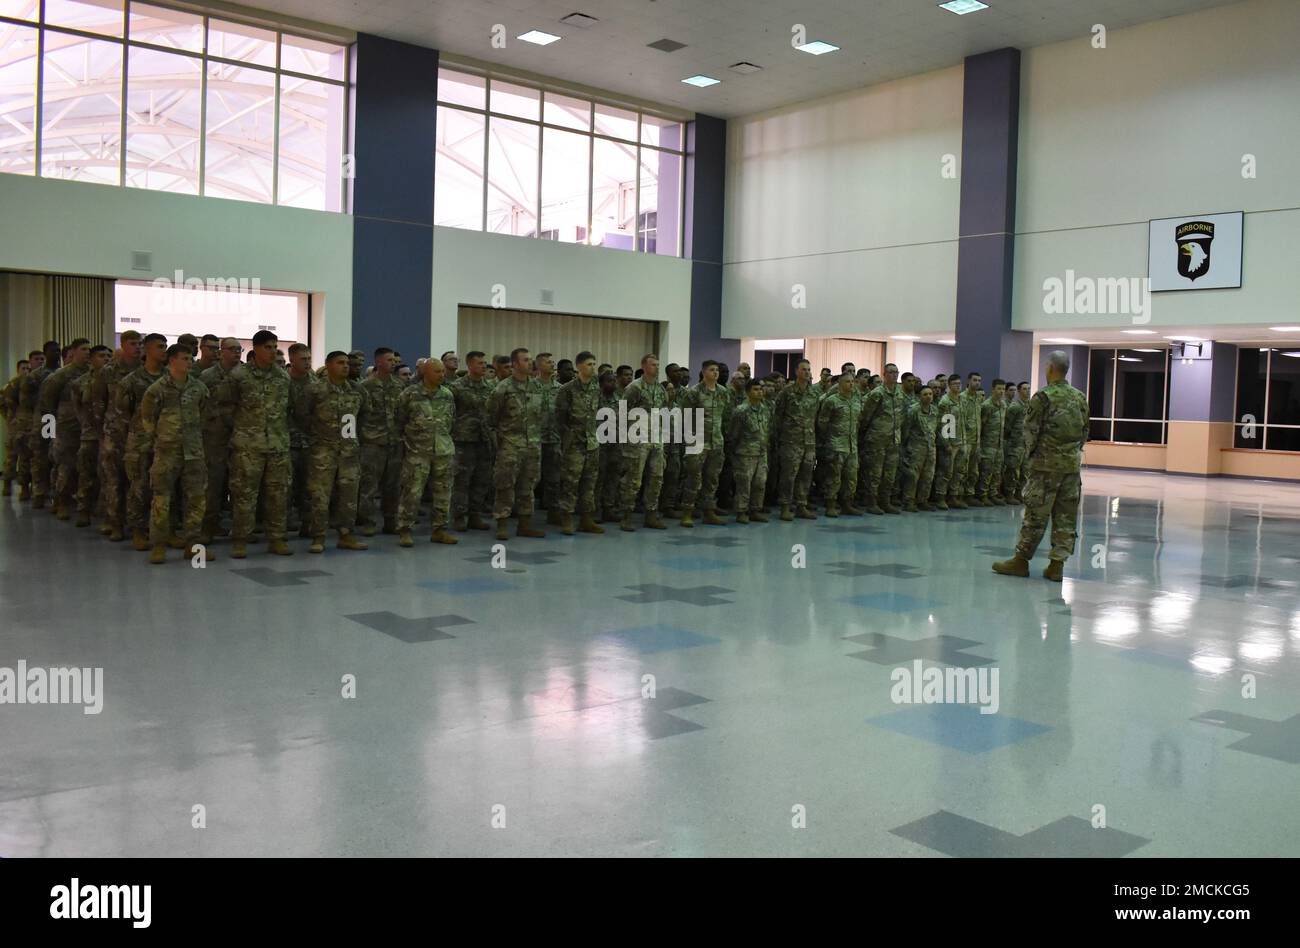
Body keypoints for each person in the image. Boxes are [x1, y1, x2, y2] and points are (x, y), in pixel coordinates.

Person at [994, 351, 1089, 582]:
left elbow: (1031, 432)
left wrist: (1032, 457)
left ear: (1050, 368)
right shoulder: (1079, 397)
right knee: (1065, 517)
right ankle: (1057, 565)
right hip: (1070, 468)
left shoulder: (1042, 397)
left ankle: (1021, 561)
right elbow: (1085, 431)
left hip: (1044, 468)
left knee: (1036, 514)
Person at [140, 344, 209, 564]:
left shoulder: (199, 388)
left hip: (194, 452)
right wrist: (160, 442)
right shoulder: (157, 389)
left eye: (190, 358)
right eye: (184, 358)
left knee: (196, 499)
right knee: (161, 499)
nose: (189, 362)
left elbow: (206, 415)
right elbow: (148, 420)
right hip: (167, 452)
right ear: (172, 361)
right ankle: (159, 545)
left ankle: (193, 546)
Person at [226, 330, 293, 559]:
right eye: (268, 347)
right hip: (248, 447)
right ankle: (240, 540)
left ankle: (276, 538)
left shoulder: (283, 377)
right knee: (244, 495)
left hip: (277, 446)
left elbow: (289, 410)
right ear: (255, 349)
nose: (273, 351)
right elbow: (226, 407)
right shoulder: (239, 376)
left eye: (275, 347)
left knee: (278, 495)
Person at [299, 351, 369, 554]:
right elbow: (302, 415)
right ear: (328, 365)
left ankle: (346, 535)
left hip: (349, 452)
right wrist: (317, 435)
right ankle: (318, 536)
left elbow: (363, 416)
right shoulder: (315, 390)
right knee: (320, 495)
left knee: (349, 495)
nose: (346, 366)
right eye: (340, 363)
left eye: (347, 363)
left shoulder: (357, 390)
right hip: (322, 450)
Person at [485, 347, 545, 540]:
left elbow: (542, 416)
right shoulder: (503, 388)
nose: (530, 363)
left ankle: (524, 524)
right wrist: (502, 441)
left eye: (531, 359)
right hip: (510, 445)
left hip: (533, 445)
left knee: (528, 486)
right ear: (515, 364)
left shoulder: (537, 388)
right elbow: (491, 418)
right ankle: (502, 524)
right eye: (526, 360)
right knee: (505, 485)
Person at [119, 334, 168, 550]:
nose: (164, 350)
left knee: (165, 488)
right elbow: (122, 413)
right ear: (147, 350)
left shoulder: (170, 378)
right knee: (138, 487)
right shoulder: (131, 381)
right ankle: (138, 530)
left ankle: (164, 530)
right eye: (159, 346)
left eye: (165, 346)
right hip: (139, 442)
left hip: (166, 441)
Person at [92, 334, 140, 539]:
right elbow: (97, 402)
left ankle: (137, 523)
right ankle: (115, 523)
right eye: (133, 344)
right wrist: (101, 431)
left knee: (137, 481)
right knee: (113, 479)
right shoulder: (108, 372)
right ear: (123, 345)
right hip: (114, 432)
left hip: (138, 434)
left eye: (139, 344)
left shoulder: (144, 370)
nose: (137, 347)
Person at [39, 338, 92, 520]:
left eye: (88, 349)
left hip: (87, 427)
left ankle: (83, 503)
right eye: (83, 349)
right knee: (65, 466)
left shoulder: (93, 374)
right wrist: (50, 433)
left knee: (85, 466)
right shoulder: (59, 376)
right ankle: (62, 502)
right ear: (74, 351)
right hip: (65, 427)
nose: (87, 353)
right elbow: (47, 406)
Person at [553, 351, 605, 536]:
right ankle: (566, 518)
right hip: (573, 444)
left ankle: (586, 519)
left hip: (592, 442)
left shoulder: (596, 388)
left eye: (594, 364)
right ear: (579, 367)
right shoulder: (567, 390)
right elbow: (559, 418)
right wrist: (568, 438)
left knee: (589, 483)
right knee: (570, 482)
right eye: (589, 364)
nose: (593, 367)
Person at [617, 354, 669, 531]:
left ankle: (651, 514)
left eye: (658, 365)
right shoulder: (634, 388)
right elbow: (622, 414)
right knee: (633, 480)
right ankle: (626, 515)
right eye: (653, 364)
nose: (656, 367)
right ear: (644, 366)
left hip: (656, 439)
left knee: (657, 478)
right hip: (637, 440)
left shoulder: (660, 390)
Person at [198, 338, 242, 544]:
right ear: (221, 352)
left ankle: (240, 528)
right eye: (232, 349)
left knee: (241, 486)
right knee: (213, 486)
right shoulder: (207, 376)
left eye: (239, 350)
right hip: (214, 438)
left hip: (241, 437)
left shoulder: (245, 376)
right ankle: (208, 526)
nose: (236, 353)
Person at [677, 359, 729, 527]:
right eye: (712, 370)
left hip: (716, 442)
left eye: (717, 370)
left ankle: (709, 512)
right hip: (697, 441)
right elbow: (683, 415)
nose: (716, 373)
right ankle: (687, 513)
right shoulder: (694, 393)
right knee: (694, 478)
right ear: (704, 372)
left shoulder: (722, 392)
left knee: (712, 478)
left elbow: (724, 416)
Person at [358, 347, 401, 536]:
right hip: (372, 443)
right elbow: (357, 416)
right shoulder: (365, 386)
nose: (394, 363)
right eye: (389, 360)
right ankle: (368, 522)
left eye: (394, 360)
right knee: (369, 486)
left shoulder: (400, 386)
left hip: (394, 443)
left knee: (393, 486)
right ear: (378, 362)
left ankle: (391, 520)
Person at [449, 350, 493, 531]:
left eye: (484, 363)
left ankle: (475, 515)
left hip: (484, 440)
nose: (483, 366)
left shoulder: (490, 387)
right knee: (461, 481)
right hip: (463, 440)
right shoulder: (456, 387)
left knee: (481, 479)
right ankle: (459, 516)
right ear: (469, 365)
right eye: (480, 363)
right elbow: (449, 414)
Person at [771, 358, 819, 520]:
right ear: (796, 371)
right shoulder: (787, 392)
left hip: (809, 441)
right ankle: (785, 506)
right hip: (791, 441)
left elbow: (815, 417)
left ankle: (801, 505)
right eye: (804, 369)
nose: (807, 372)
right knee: (788, 476)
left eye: (809, 370)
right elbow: (777, 416)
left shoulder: (814, 393)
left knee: (806, 475)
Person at [70, 345, 110, 526]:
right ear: (92, 359)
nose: (106, 359)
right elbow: (77, 408)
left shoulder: (114, 380)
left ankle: (105, 513)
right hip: (89, 435)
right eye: (102, 356)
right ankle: (83, 509)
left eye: (108, 356)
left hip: (109, 434)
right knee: (86, 473)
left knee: (108, 476)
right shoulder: (80, 383)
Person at [859, 362, 904, 515]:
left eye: (896, 372)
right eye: (891, 372)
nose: (894, 375)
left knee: (890, 473)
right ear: (884, 374)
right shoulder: (877, 393)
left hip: (893, 439)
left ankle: (885, 502)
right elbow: (865, 416)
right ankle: (872, 502)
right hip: (877, 439)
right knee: (875, 473)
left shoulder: (900, 392)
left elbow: (901, 415)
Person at [815, 373, 862, 517]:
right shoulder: (831, 401)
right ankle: (830, 505)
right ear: (840, 384)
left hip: (851, 445)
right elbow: (822, 423)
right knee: (834, 477)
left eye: (853, 382)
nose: (851, 384)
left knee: (851, 477)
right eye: (847, 382)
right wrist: (830, 439)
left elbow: (858, 422)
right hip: (835, 445)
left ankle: (847, 504)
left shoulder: (856, 401)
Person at [728, 379, 770, 523]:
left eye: (760, 389)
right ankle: (741, 511)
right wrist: (735, 452)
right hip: (745, 453)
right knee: (744, 483)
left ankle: (755, 510)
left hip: (761, 452)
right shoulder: (741, 411)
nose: (759, 392)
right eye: (755, 389)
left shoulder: (765, 409)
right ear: (748, 392)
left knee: (760, 483)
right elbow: (733, 434)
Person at [899, 384, 938, 512]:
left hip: (930, 448)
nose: (928, 397)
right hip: (916, 447)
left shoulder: (935, 410)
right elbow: (906, 429)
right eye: (925, 394)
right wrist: (905, 446)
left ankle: (923, 500)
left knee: (928, 475)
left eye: (930, 394)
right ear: (919, 397)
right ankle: (908, 501)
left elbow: (936, 429)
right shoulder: (913, 410)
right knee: (913, 476)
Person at [976, 378, 1008, 506]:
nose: (1001, 391)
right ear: (993, 389)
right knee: (986, 471)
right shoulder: (987, 406)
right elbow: (981, 425)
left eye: (1003, 389)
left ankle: (993, 493)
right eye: (999, 389)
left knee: (997, 471)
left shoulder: (1003, 405)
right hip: (988, 444)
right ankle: (982, 495)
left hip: (999, 445)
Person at [1002, 381, 1030, 505]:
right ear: (1019, 391)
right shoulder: (1015, 406)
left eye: (1029, 388)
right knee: (1012, 470)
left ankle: (1019, 493)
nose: (1027, 391)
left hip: (1026, 444)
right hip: (1015, 443)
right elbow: (1007, 425)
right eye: (1024, 389)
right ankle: (1009, 494)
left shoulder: (1030, 406)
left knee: (1025, 471)